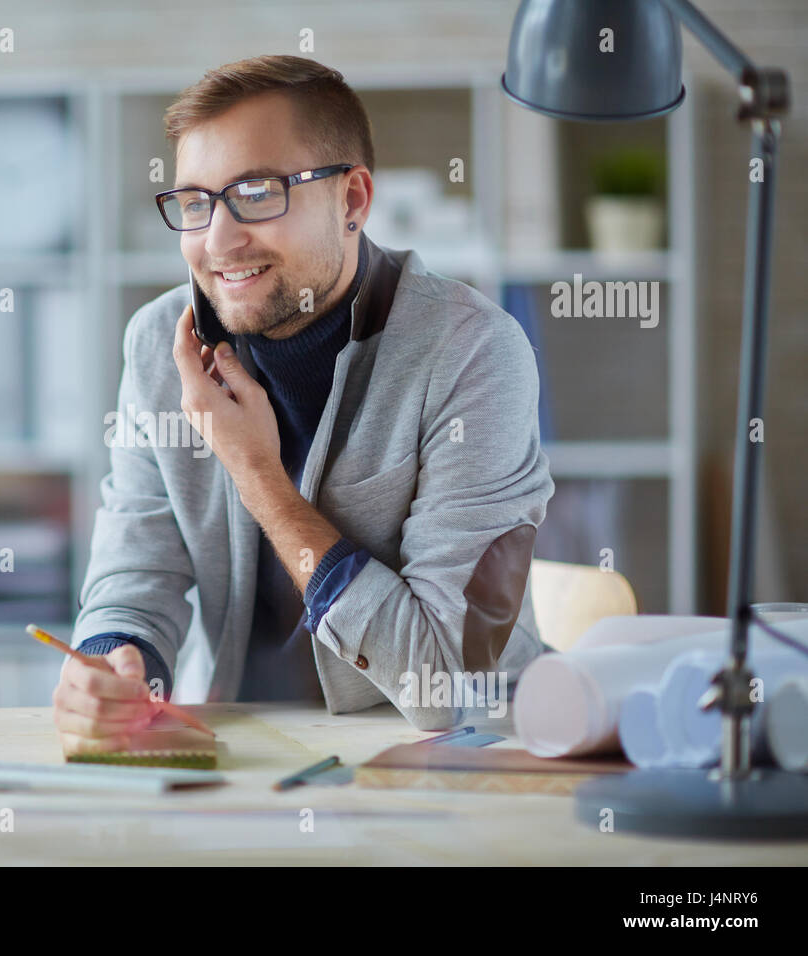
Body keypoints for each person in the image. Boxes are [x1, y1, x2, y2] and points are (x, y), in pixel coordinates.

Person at [53, 54, 554, 755]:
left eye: (257, 192)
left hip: (448, 757)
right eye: (195, 203)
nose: (218, 241)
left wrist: (257, 474)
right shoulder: (159, 347)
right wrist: (114, 663)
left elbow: (449, 685)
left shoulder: (473, 352)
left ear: (352, 201)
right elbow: (135, 576)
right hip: (244, 751)